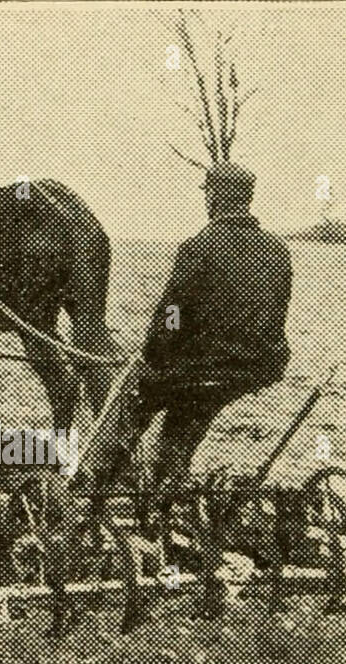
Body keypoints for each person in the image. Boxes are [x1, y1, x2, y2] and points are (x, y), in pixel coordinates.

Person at [91, 162, 292, 492]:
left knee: (136, 398)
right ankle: (169, 478)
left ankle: (100, 483)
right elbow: (275, 314)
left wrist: (152, 353)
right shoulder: (277, 250)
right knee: (188, 413)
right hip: (256, 367)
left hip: (202, 366)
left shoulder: (199, 247)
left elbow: (173, 312)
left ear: (214, 197)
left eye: (208, 193)